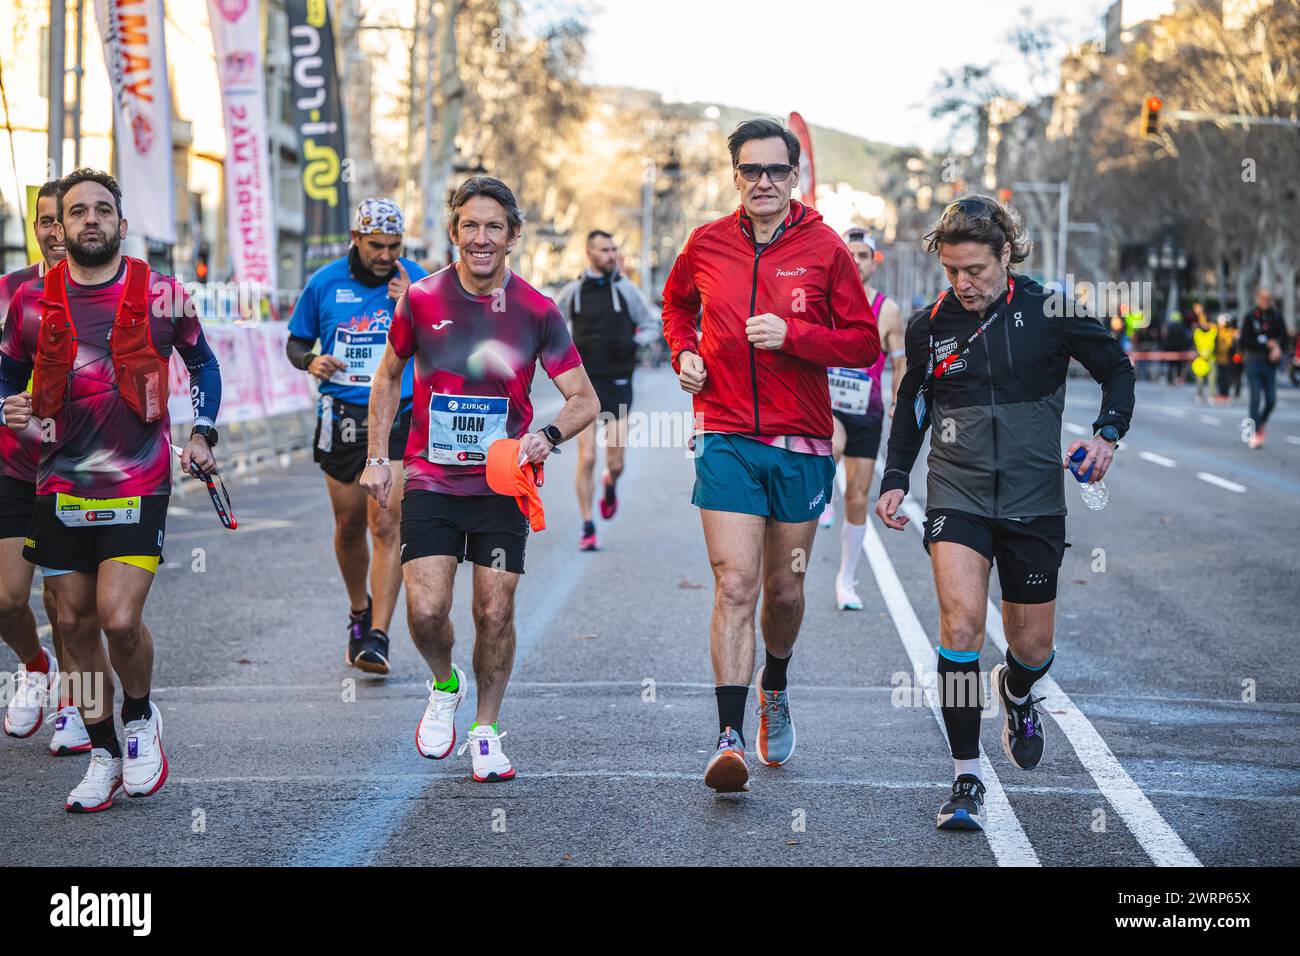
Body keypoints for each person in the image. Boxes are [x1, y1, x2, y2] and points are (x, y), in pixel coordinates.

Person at [877, 195, 1134, 831]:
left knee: (1032, 644)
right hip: (956, 493)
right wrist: (893, 477)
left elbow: (1117, 370)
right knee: (960, 626)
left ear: (1006, 258)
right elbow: (912, 406)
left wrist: (1106, 435)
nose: (963, 284)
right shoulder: (929, 325)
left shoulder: (1052, 309)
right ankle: (966, 775)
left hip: (1034, 500)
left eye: (975, 271)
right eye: (952, 272)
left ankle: (1018, 691)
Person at [661, 118, 880, 792]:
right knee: (735, 583)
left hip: (803, 446)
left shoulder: (825, 250)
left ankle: (774, 687)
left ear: (795, 177)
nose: (763, 182)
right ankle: (727, 736)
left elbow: (864, 343)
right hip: (727, 436)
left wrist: (796, 335)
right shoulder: (705, 244)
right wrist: (684, 353)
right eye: (751, 170)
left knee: (784, 591)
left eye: (775, 171)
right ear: (734, 176)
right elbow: (674, 306)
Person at [360, 177, 597, 781]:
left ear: (514, 236)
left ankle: (487, 729)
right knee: (425, 610)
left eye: (495, 227)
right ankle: (445, 682)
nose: (481, 238)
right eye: (470, 225)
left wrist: (545, 438)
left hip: (501, 485)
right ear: (453, 231)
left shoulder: (539, 311)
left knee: (495, 612)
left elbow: (583, 399)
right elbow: (388, 377)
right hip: (433, 481)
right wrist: (378, 456)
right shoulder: (421, 300)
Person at [0, 168, 223, 812]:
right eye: (77, 212)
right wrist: (11, 407)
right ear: (59, 228)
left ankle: (140, 718)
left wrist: (204, 431)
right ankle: (101, 752)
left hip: (137, 479)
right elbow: (8, 378)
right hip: (59, 482)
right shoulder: (31, 303)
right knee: (72, 624)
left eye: (102, 210)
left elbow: (201, 362)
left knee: (119, 620)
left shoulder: (161, 293)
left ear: (122, 225)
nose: (90, 220)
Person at [286, 199, 428, 673]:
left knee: (386, 524)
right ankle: (358, 610)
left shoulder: (416, 278)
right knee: (349, 524)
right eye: (376, 246)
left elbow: (445, 339)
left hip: (398, 414)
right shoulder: (324, 282)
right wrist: (311, 361)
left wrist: (413, 303)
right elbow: (296, 342)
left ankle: (379, 638)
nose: (387, 256)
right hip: (342, 414)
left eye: (394, 246)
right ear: (355, 239)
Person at [0, 180, 90, 754]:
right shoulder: (12, 290)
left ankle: (75, 707)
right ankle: (36, 666)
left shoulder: (110, 289)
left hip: (81, 469)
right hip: (15, 463)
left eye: (64, 220)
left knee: (67, 604)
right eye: (45, 221)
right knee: (7, 598)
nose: (56, 232)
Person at [555, 230, 660, 551]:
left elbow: (654, 325)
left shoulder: (626, 290)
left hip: (617, 385)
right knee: (587, 457)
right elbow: (553, 327)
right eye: (605, 250)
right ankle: (588, 525)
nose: (612, 255)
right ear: (590, 254)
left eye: (614, 249)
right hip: (584, 387)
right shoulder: (573, 292)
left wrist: (633, 343)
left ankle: (610, 483)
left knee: (615, 463)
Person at [818, 228, 905, 611]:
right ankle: (822, 498)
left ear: (873, 262)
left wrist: (898, 398)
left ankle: (846, 580)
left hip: (866, 413)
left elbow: (900, 360)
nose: (855, 260)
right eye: (848, 253)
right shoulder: (823, 301)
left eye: (863, 255)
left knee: (857, 497)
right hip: (826, 404)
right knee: (832, 444)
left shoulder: (888, 310)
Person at [1239, 289, 1288, 448]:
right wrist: (1264, 344)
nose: (1266, 302)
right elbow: (1244, 340)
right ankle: (1253, 432)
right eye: (1263, 299)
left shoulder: (1276, 316)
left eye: (1268, 299)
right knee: (1255, 397)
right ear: (1257, 299)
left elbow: (1284, 337)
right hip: (1254, 360)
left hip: (1270, 363)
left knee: (1271, 399)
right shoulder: (1250, 316)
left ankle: (1259, 424)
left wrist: (1278, 347)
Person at [1190, 303, 1217, 404]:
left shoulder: (1213, 331)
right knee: (1199, 380)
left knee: (1212, 379)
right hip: (1200, 359)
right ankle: (1199, 394)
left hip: (1211, 359)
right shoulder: (1197, 332)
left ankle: (1211, 395)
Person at [1213, 314, 1237, 405]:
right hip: (1219, 359)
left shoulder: (1231, 332)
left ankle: (1225, 393)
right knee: (1220, 377)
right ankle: (1221, 393)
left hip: (1228, 359)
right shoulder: (1218, 331)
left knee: (1227, 378)